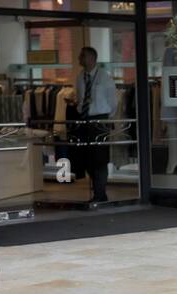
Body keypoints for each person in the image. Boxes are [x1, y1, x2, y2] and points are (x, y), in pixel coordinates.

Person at [68, 46, 115, 203]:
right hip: (84, 120)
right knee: (87, 158)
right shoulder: (80, 77)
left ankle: (100, 194)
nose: (79, 59)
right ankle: (98, 191)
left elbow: (112, 101)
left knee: (100, 158)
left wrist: (108, 119)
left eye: (82, 56)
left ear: (92, 58)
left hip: (100, 120)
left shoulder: (104, 77)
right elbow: (81, 98)